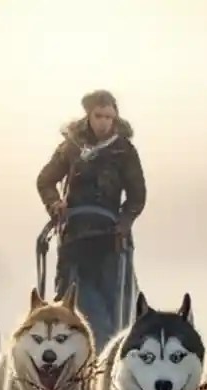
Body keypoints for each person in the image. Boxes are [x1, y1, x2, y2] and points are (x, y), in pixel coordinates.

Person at [36, 89, 147, 347]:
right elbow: (46, 180)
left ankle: (110, 356)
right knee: (72, 304)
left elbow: (137, 195)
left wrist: (124, 222)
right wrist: (55, 204)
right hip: (74, 238)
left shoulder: (124, 150)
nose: (104, 122)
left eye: (109, 117)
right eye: (99, 116)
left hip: (110, 240)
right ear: (89, 114)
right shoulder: (71, 147)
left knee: (114, 309)